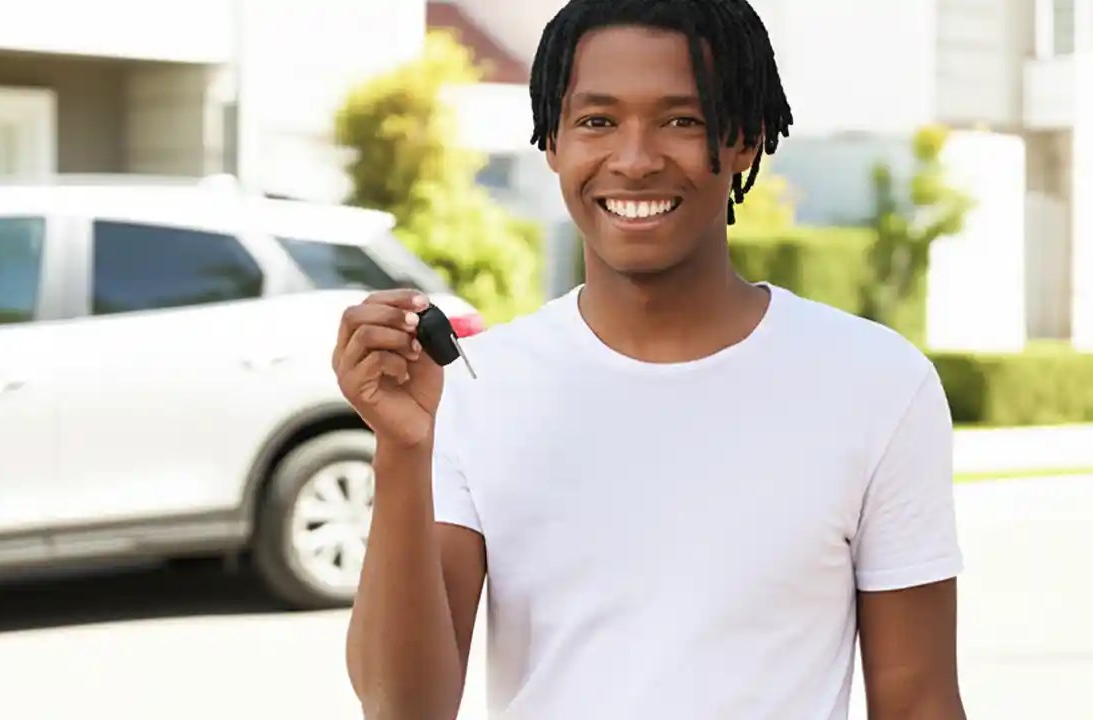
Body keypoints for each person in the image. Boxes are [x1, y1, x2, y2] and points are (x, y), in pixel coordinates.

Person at [333, 0, 966, 717]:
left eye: (682, 121)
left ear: (746, 141)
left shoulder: (875, 383)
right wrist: (400, 450)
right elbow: (404, 708)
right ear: (553, 142)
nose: (634, 160)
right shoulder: (476, 390)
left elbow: (918, 701)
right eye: (598, 121)